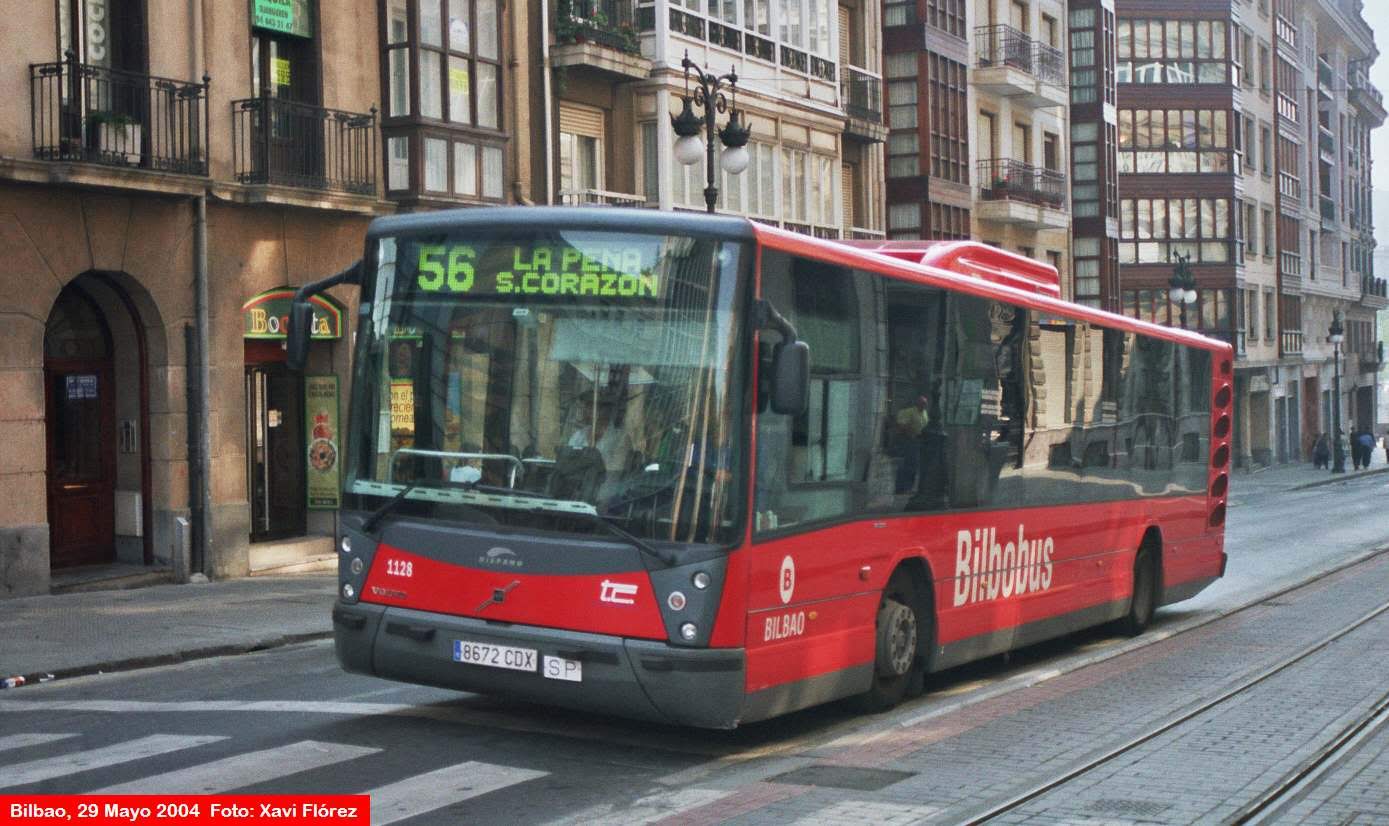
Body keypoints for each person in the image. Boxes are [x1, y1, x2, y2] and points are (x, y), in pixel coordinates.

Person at [893, 394, 931, 494]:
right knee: (908, 464)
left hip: (920, 441)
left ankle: (909, 487)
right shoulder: (910, 412)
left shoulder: (925, 413)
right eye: (922, 403)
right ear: (917, 403)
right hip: (909, 440)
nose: (924, 406)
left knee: (914, 465)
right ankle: (902, 487)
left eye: (925, 404)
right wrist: (910, 434)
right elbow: (901, 425)